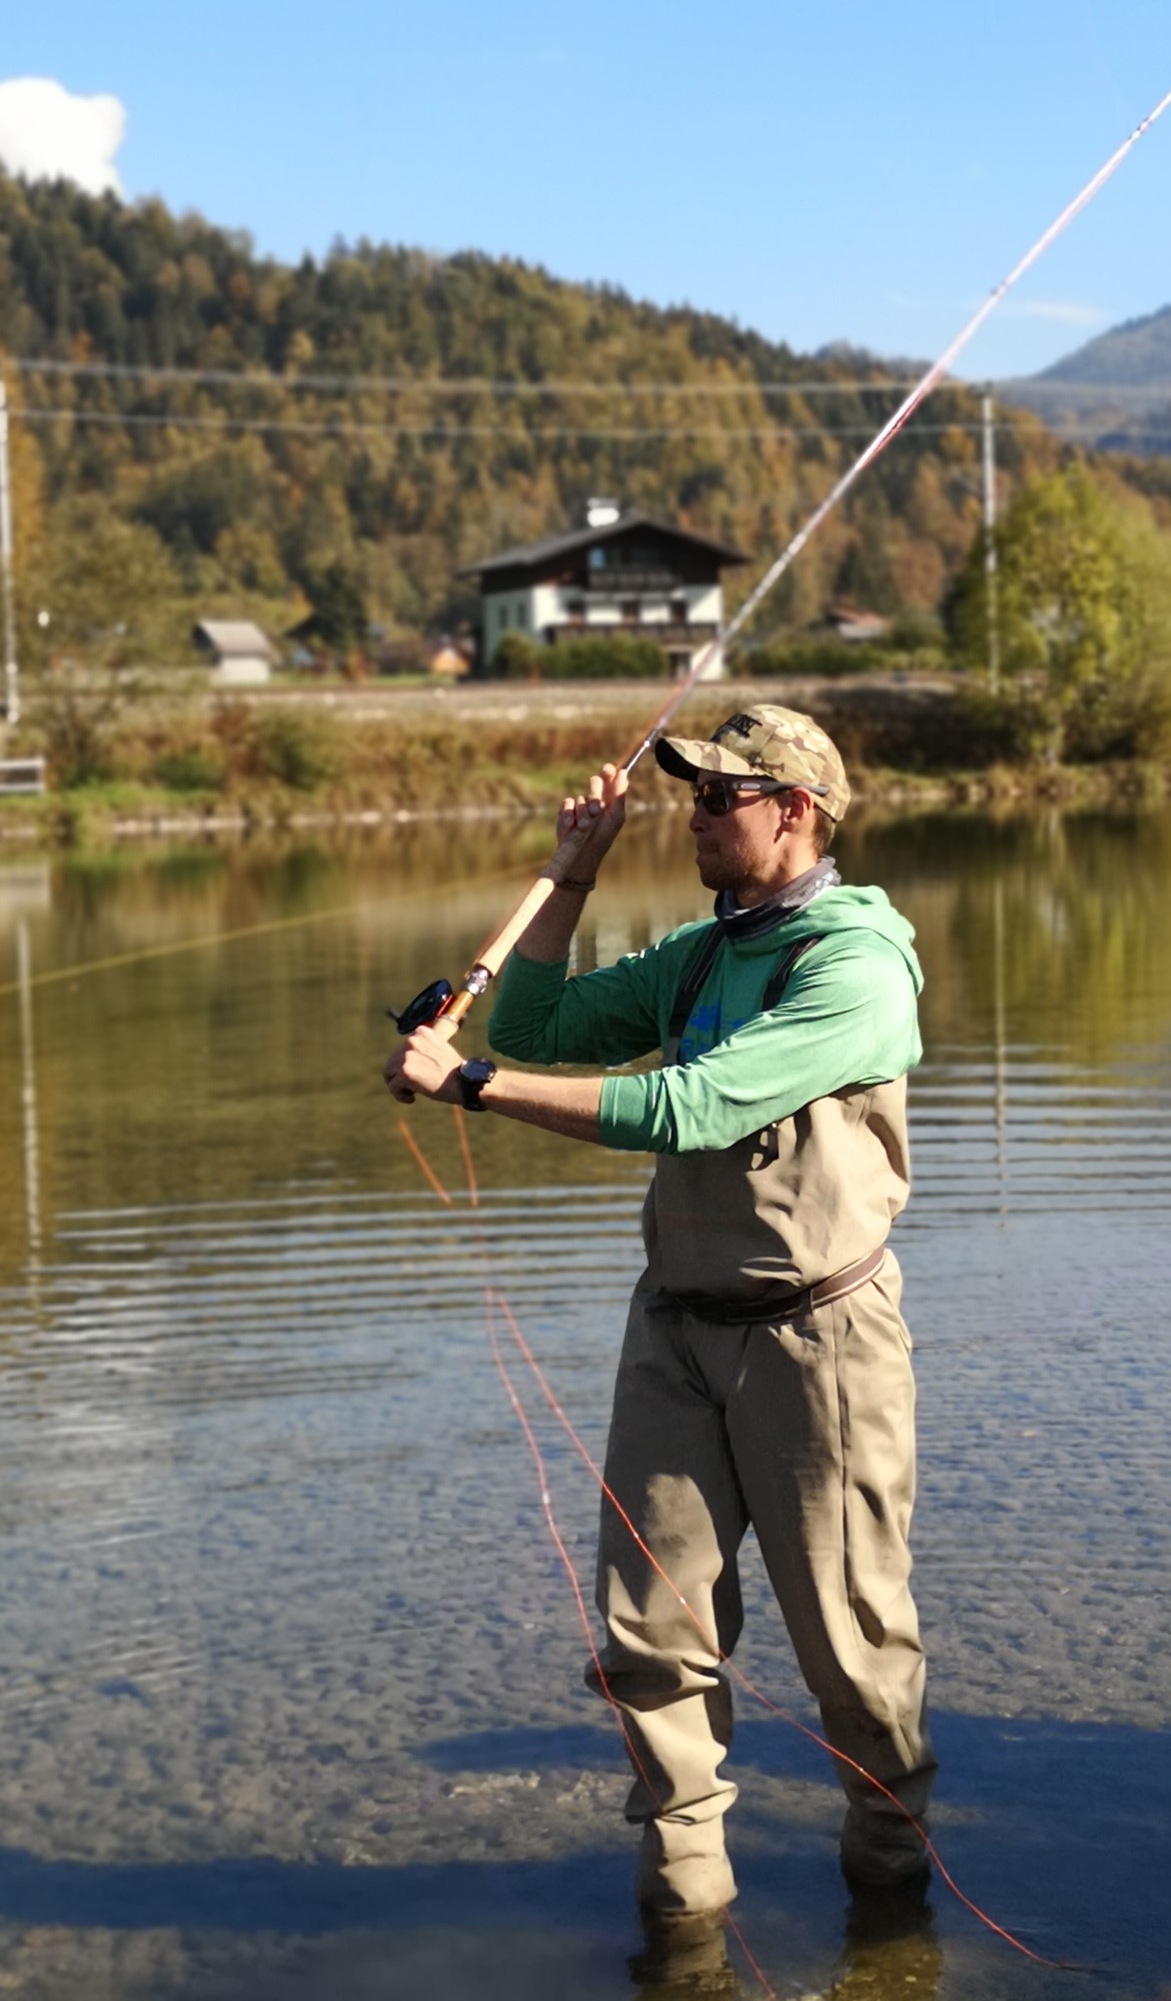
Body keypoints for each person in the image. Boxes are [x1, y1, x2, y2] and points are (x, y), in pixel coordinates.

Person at [383, 704, 936, 1922]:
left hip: (819, 1338)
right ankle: (685, 1903)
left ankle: (893, 1887)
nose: (693, 812)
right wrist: (572, 877)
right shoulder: (697, 953)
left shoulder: (855, 963)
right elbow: (536, 1025)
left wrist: (471, 1083)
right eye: (689, 793)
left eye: (719, 797)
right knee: (650, 1633)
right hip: (675, 1333)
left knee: (852, 1642)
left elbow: (697, 1104)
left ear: (796, 812)